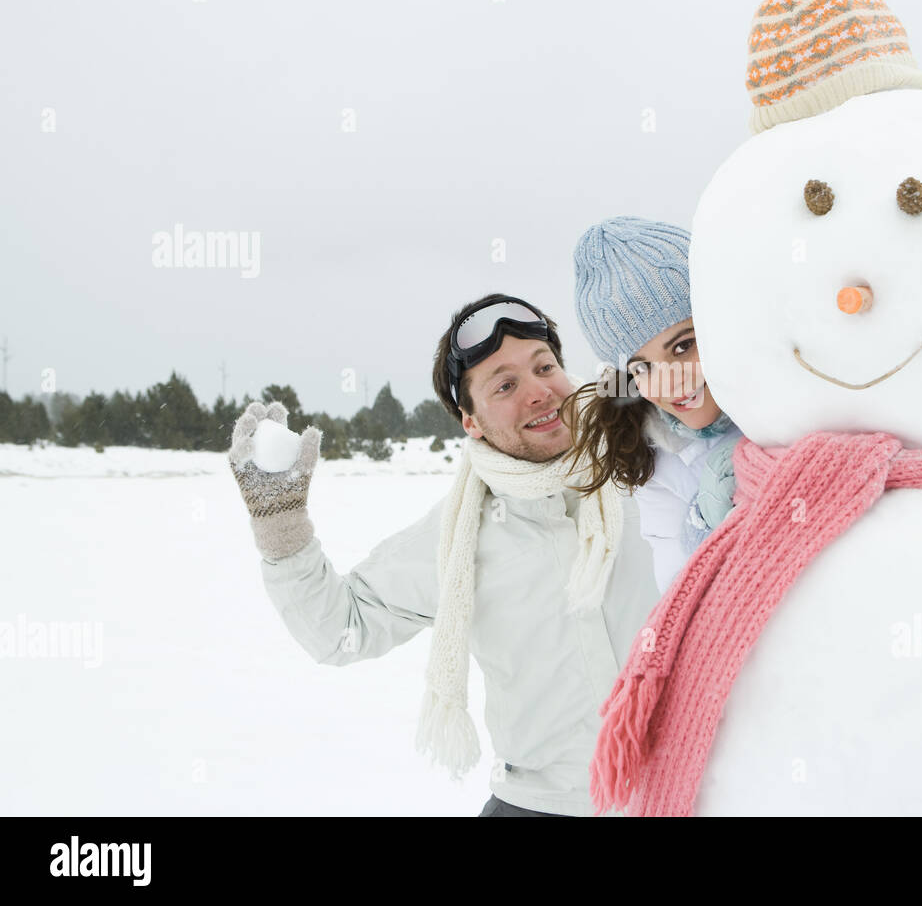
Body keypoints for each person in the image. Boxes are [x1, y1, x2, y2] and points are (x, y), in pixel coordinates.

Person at [228, 292, 659, 817]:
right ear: (470, 421)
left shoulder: (650, 472)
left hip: (693, 789)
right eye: (505, 384)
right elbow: (341, 629)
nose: (540, 392)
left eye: (545, 367)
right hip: (539, 805)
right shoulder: (458, 535)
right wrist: (282, 527)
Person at [561, 216, 922, 596]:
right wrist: (706, 525)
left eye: (684, 344)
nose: (670, 382)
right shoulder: (660, 462)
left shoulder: (816, 370)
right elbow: (681, 597)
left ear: (724, 322)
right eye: (642, 368)